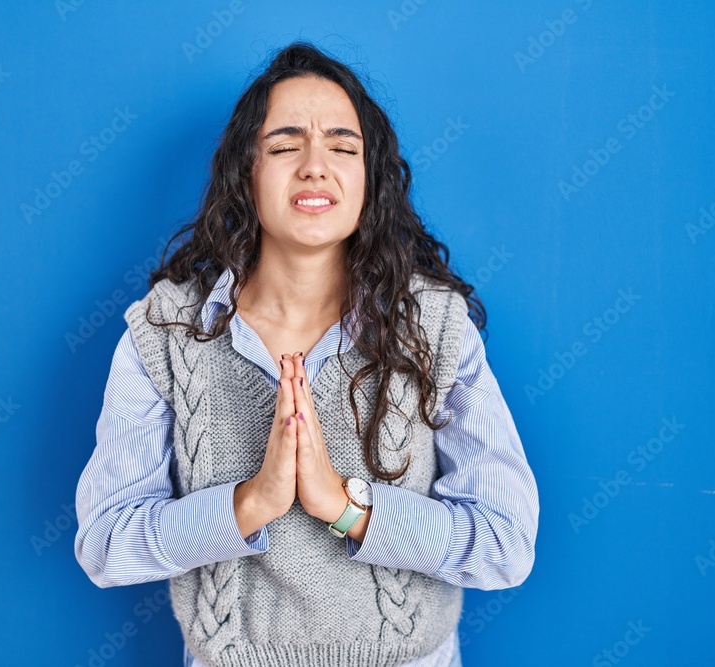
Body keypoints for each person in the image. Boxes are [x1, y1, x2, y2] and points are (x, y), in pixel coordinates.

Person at [75, 41, 539, 667]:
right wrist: (251, 504)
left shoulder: (433, 327)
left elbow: (505, 545)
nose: (316, 165)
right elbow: (105, 544)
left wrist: (348, 508)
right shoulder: (166, 332)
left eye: (344, 147)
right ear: (246, 173)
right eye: (286, 145)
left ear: (369, 178)